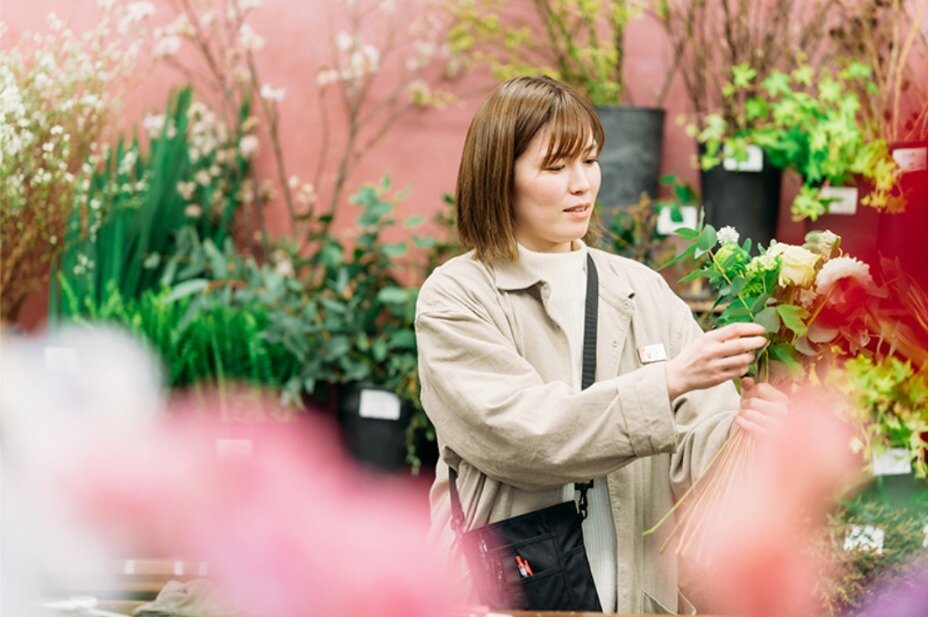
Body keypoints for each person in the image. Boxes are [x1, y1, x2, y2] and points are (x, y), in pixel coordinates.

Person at [414, 75, 787, 614]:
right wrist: (667, 382)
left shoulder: (641, 289)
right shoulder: (458, 296)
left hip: (635, 597)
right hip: (506, 597)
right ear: (499, 177)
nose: (582, 184)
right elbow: (521, 438)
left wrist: (745, 432)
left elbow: (695, 458)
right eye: (555, 167)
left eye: (589, 160)